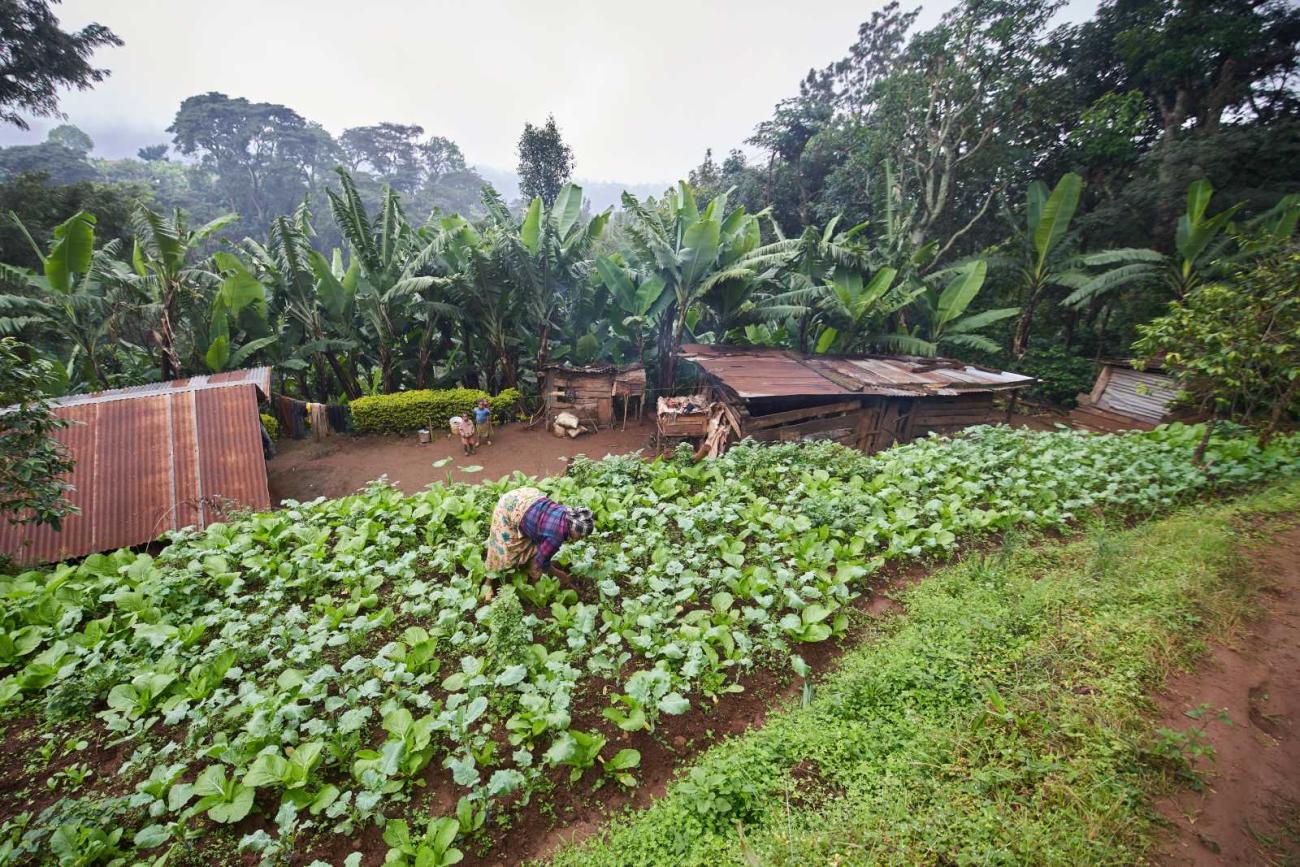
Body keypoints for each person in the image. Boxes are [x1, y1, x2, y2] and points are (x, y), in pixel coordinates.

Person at [484, 487, 594, 597]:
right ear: (572, 528)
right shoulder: (555, 537)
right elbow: (542, 562)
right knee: (501, 550)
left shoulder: (567, 514)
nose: (581, 539)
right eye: (580, 535)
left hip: (525, 497)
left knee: (533, 546)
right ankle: (487, 584)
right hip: (508, 507)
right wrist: (559, 574)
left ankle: (527, 567)